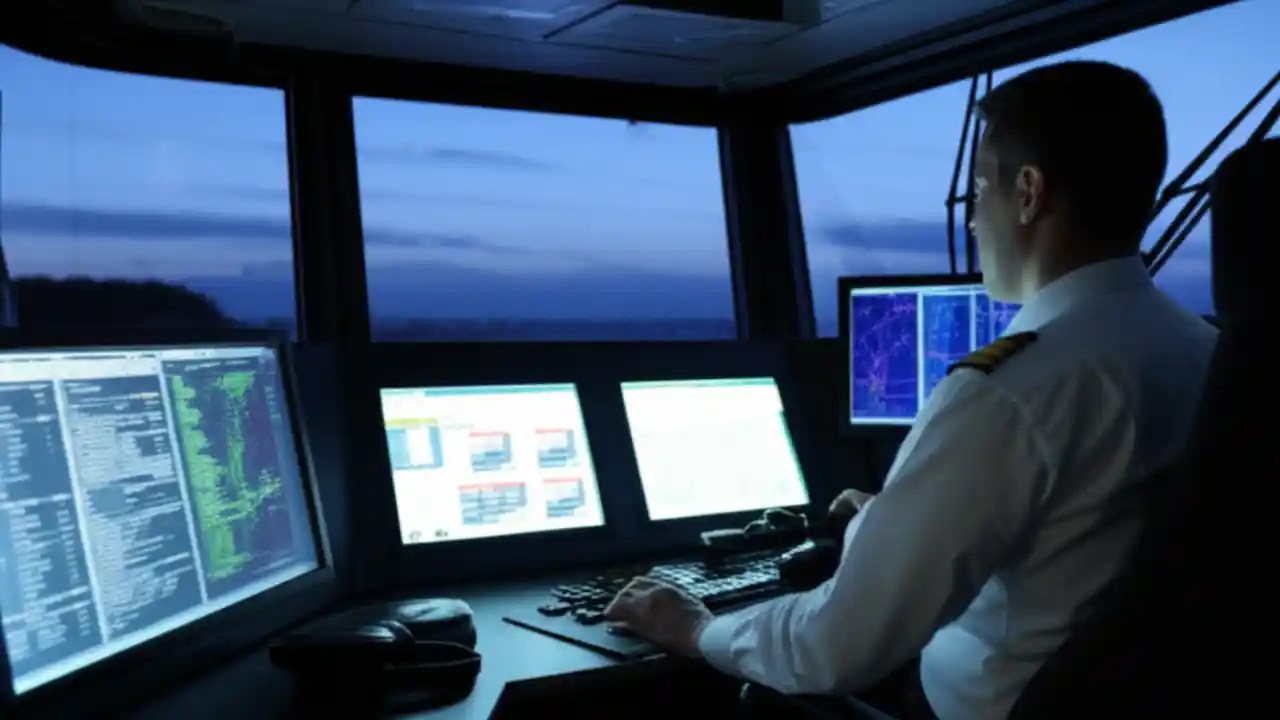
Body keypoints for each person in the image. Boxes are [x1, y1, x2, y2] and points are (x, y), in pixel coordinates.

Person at [604, 60, 1219, 720]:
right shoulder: (1207, 351)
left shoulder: (1006, 391)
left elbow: (834, 646)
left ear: (1029, 193)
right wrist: (894, 520)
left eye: (982, 189)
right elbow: (1084, 538)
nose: (975, 220)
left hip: (986, 706)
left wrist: (697, 629)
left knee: (754, 696)